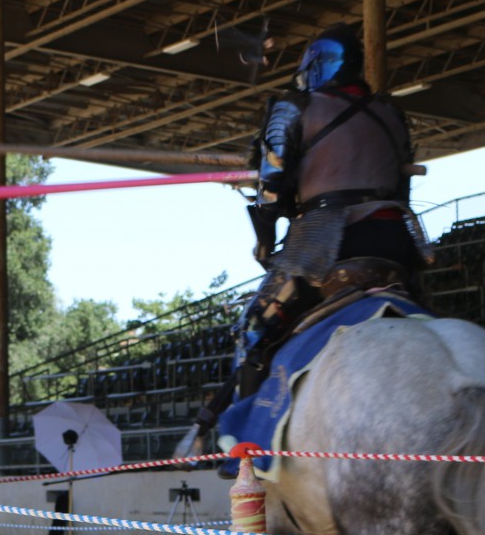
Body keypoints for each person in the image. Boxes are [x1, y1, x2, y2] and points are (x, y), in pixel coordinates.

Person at [175, 23, 432, 452]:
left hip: (329, 242)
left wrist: (264, 242)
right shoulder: (390, 113)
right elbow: (400, 187)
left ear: (315, 66)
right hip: (397, 244)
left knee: (253, 330)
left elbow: (272, 189)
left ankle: (239, 444)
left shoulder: (294, 107)